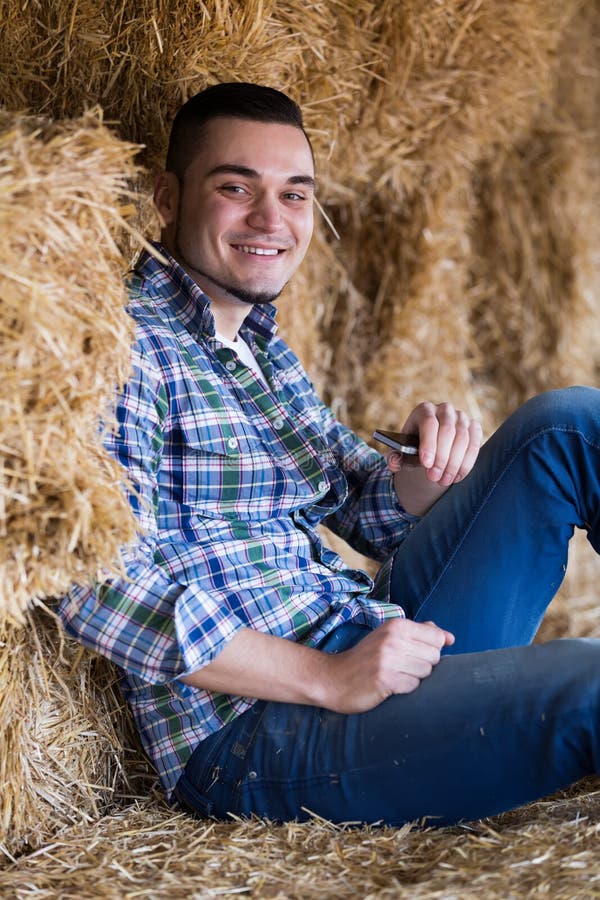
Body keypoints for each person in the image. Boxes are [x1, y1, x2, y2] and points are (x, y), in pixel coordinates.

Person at [58, 82, 600, 828]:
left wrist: (420, 471)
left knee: (565, 426)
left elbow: (363, 506)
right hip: (253, 731)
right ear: (166, 198)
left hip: (372, 639)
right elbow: (93, 587)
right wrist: (328, 677)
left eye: (295, 194)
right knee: (591, 680)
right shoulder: (127, 348)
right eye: (235, 188)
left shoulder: (259, 349)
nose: (270, 220)